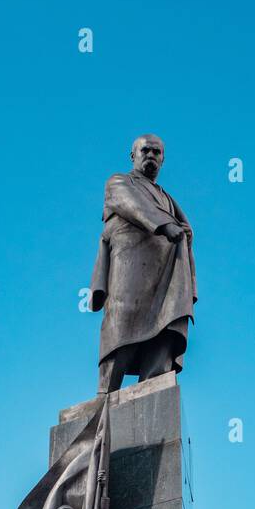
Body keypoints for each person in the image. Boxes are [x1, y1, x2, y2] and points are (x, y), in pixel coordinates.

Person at [89, 134, 197, 395]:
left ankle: (152, 390)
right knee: (121, 327)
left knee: (165, 330)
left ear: (163, 159)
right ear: (133, 156)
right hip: (130, 266)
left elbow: (184, 230)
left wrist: (185, 233)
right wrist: (167, 225)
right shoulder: (118, 181)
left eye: (157, 152)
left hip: (169, 274)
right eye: (145, 150)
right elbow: (133, 204)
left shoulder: (168, 198)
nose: (151, 156)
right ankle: (105, 396)